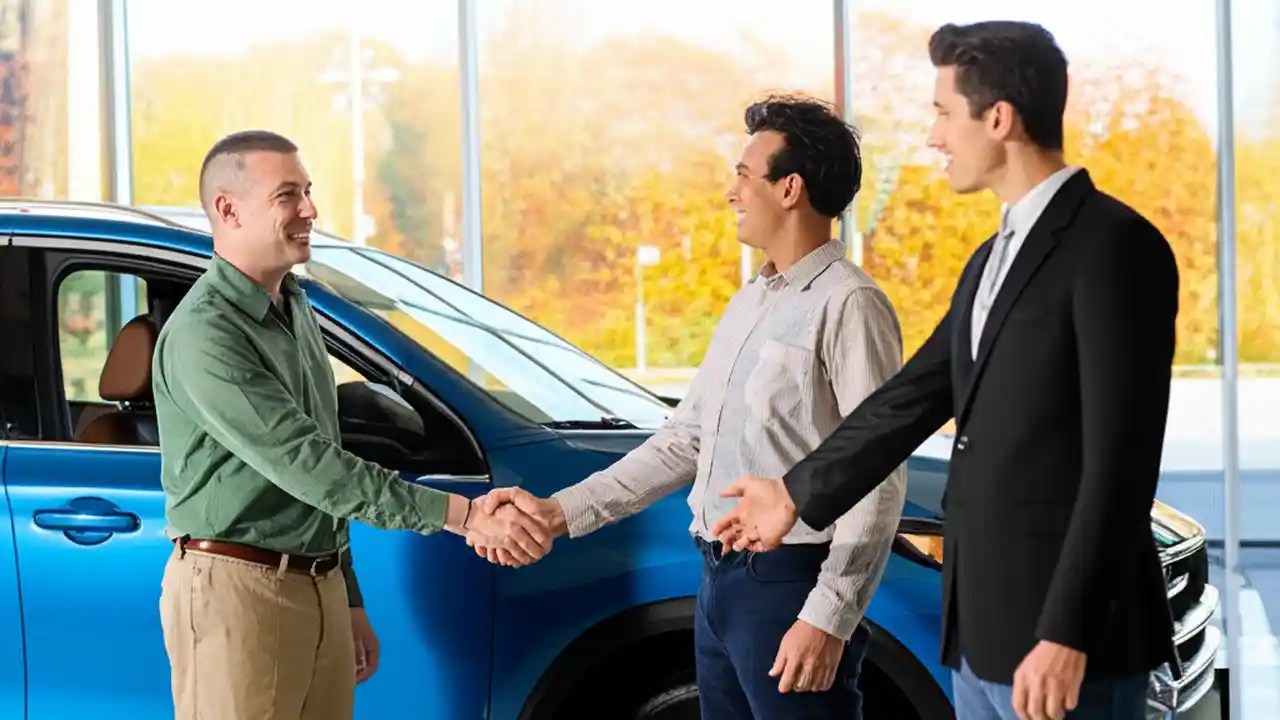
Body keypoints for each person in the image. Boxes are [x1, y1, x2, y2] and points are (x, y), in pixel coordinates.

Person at [711, 21, 1180, 720]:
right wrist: (793, 495)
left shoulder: (1115, 249)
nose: (933, 137)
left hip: (1068, 644)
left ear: (998, 118)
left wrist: (1066, 631)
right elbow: (910, 400)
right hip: (985, 634)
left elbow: (1122, 466)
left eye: (941, 113)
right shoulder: (990, 260)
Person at [472, 95, 907, 720]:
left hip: (792, 586)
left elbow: (878, 476)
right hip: (719, 582)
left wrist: (829, 617)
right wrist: (556, 513)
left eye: (742, 175)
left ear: (790, 189)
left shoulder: (849, 304)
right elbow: (684, 442)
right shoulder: (750, 303)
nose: (731, 192)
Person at [152, 130, 552, 720]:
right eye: (288, 195)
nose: (310, 209)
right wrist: (464, 516)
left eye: (308, 191)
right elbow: (309, 466)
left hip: (315, 582)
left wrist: (346, 595)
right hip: (239, 592)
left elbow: (322, 464)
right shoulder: (206, 334)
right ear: (228, 209)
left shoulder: (296, 307)